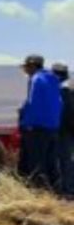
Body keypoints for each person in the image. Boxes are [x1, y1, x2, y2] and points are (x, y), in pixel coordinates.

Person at [18, 54, 62, 190]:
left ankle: (38, 191)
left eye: (26, 67)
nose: (25, 70)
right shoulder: (53, 79)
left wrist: (25, 123)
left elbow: (33, 103)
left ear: (32, 66)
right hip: (53, 126)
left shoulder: (36, 79)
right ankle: (56, 189)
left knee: (36, 161)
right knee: (51, 161)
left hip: (37, 127)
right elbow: (59, 102)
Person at [55, 62, 74, 198]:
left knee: (64, 159)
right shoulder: (70, 86)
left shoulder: (63, 89)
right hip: (70, 128)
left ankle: (67, 189)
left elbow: (66, 111)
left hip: (65, 129)